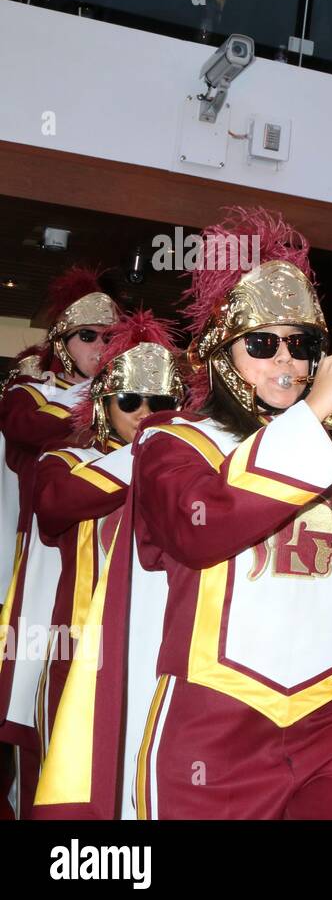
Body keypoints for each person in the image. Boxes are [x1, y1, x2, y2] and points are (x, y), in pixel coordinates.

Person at [34, 207, 332, 819]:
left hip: (329, 717)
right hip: (215, 718)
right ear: (223, 354)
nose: (289, 362)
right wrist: (312, 425)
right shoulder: (173, 441)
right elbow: (204, 528)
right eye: (263, 343)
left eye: (304, 345)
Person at [31, 312, 184, 759]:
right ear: (104, 405)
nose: (145, 414)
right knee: (70, 765)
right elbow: (56, 504)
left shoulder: (190, 465)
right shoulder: (64, 459)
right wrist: (151, 451)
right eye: (131, 400)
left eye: (160, 403)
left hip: (164, 642)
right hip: (83, 643)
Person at [0, 266, 117, 818]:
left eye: (111, 337)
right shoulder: (33, 391)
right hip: (44, 563)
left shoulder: (130, 397)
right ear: (63, 344)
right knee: (36, 694)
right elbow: (30, 426)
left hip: (111, 564)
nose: (101, 346)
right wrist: (111, 403)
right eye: (87, 336)